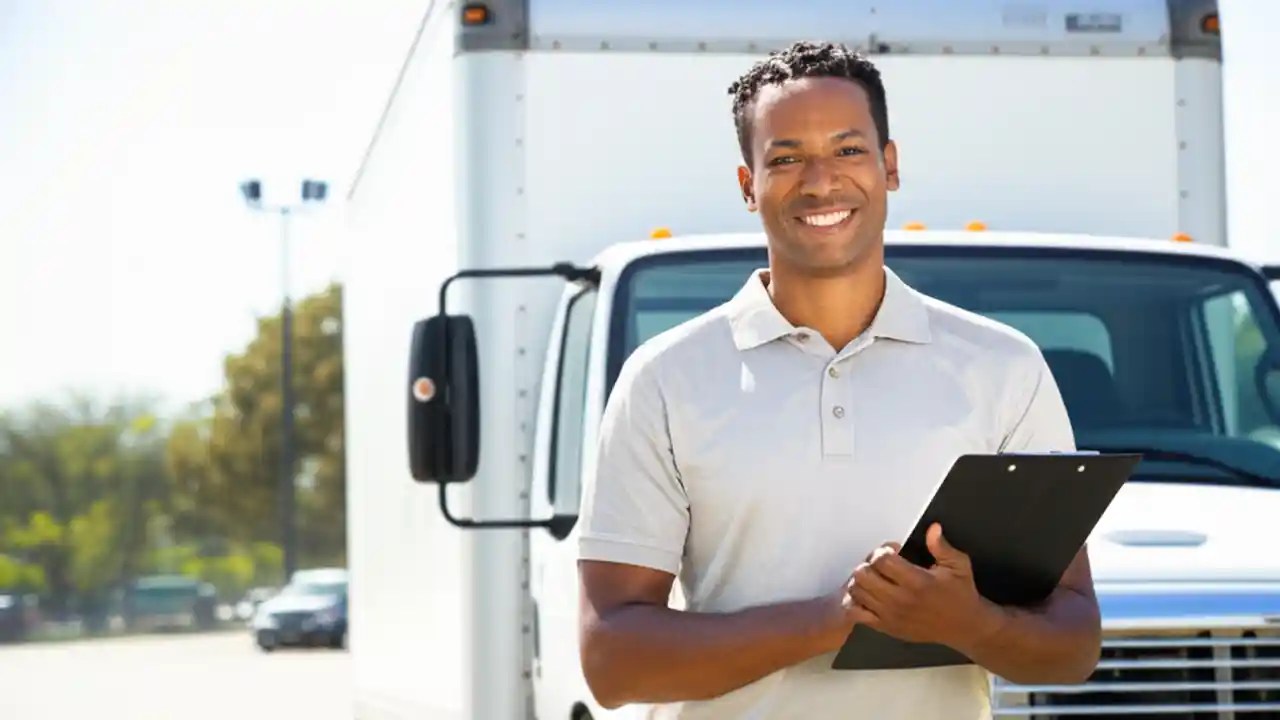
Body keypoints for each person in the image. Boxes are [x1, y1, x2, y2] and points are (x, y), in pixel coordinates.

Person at [575, 40, 1102, 718]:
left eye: (848, 150)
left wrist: (964, 619)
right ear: (748, 186)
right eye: (787, 157)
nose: (820, 181)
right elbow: (612, 662)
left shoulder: (1004, 368)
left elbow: (1073, 647)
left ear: (890, 166)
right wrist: (838, 618)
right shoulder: (664, 379)